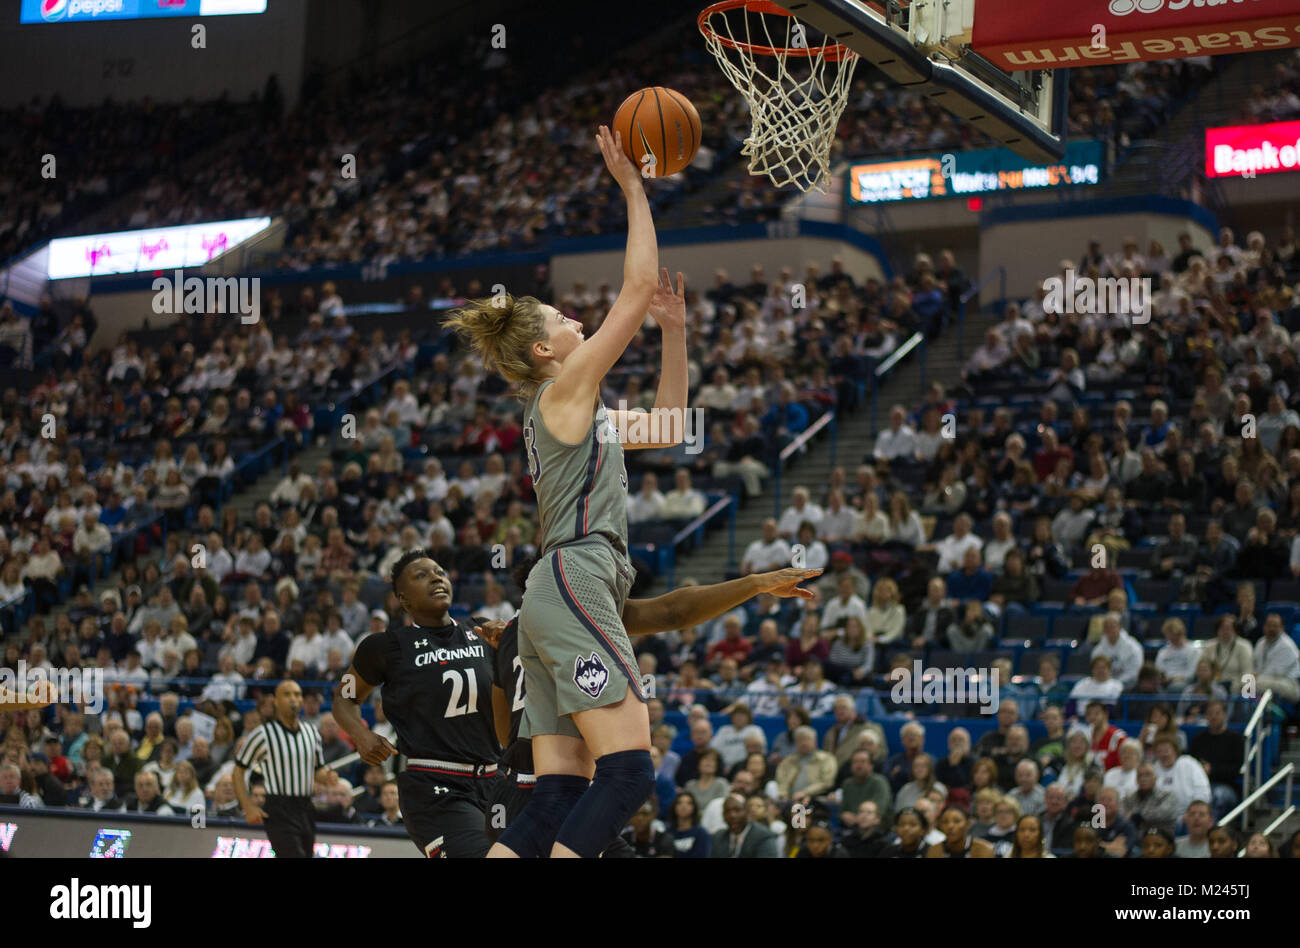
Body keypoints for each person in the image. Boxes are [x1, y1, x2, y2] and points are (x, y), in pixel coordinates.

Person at [450, 128, 684, 860]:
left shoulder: (580, 412)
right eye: (562, 320)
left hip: (554, 599)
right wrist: (634, 189)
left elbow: (671, 424)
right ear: (546, 353)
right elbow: (636, 287)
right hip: (578, 578)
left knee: (556, 794)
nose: (577, 320)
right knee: (627, 772)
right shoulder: (563, 391)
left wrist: (673, 335)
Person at [332, 553, 503, 857]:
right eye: (421, 575)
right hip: (436, 787)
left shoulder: (481, 631)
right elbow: (344, 699)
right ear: (403, 599)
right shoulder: (384, 647)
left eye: (439, 572)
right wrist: (361, 735)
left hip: (496, 779)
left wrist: (510, 644)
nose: (437, 578)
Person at [232, 680, 336, 858]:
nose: (293, 699)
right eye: (287, 695)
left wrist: (327, 777)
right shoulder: (263, 734)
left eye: (297, 694)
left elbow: (317, 770)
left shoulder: (312, 733)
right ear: (276, 702)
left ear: (302, 701)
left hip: (306, 806)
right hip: (278, 807)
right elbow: (238, 772)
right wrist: (247, 806)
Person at [710, 792, 779, 858]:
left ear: (747, 812)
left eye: (737, 810)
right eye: (727, 811)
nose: (732, 815)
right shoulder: (719, 837)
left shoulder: (764, 836)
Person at [927, 805, 995, 857]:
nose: (950, 826)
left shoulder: (984, 850)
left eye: (957, 821)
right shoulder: (934, 851)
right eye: (945, 822)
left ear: (968, 824)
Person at [665, 791, 711, 858]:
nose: (684, 806)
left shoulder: (701, 833)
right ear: (674, 807)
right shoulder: (667, 831)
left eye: (688, 803)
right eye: (679, 803)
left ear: (694, 808)